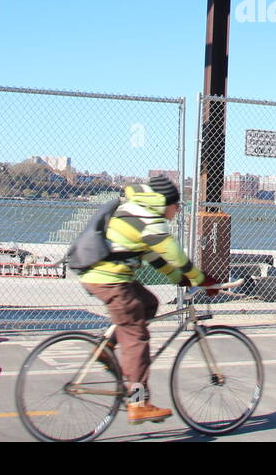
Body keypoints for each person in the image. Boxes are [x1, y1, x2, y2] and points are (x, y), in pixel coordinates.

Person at [80, 175, 216, 424]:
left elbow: (156, 259)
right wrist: (199, 277)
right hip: (111, 280)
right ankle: (139, 403)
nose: (177, 212)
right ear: (169, 203)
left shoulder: (137, 210)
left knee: (149, 303)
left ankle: (107, 348)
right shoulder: (151, 218)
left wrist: (181, 279)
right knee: (136, 337)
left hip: (105, 275)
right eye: (178, 206)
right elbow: (171, 251)